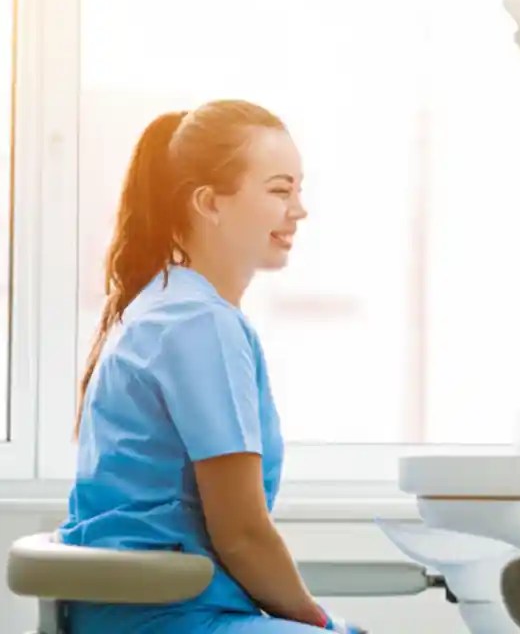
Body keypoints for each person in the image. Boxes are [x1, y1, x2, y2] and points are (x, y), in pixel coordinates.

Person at [58, 101, 364, 634]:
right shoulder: (198, 324)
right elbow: (242, 534)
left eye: (298, 189)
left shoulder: (168, 306)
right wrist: (322, 623)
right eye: (278, 190)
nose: (299, 210)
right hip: (169, 618)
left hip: (140, 610)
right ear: (209, 203)